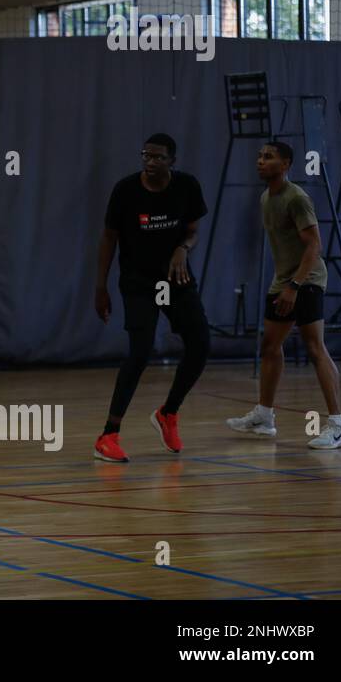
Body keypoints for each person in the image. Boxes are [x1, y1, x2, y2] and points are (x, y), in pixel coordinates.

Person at [227, 141, 341, 448]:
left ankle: (338, 425)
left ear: (285, 165)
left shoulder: (297, 198)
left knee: (314, 347)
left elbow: (314, 246)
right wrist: (284, 285)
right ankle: (265, 416)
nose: (260, 161)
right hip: (283, 281)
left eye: (268, 157)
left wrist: (295, 287)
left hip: (306, 280)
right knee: (270, 346)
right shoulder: (265, 198)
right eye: (259, 156)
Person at [93, 133, 210, 463]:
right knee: (140, 352)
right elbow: (108, 238)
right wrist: (100, 287)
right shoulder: (126, 190)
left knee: (201, 343)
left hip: (174, 279)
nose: (150, 161)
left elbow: (193, 230)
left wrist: (182, 249)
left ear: (172, 161)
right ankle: (108, 435)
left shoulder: (186, 186)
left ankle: (168, 413)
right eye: (146, 155)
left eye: (158, 157)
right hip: (140, 283)